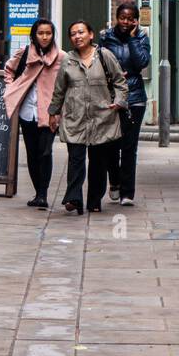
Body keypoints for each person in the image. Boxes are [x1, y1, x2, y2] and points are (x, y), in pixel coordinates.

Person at [49, 20, 129, 215]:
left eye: (81, 32)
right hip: (74, 118)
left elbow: (120, 81)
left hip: (102, 118)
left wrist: (119, 101)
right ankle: (74, 198)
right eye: (73, 34)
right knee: (76, 160)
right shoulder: (68, 60)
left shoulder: (104, 55)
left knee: (98, 163)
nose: (77, 36)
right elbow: (59, 90)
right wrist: (53, 113)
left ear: (91, 34)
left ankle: (94, 200)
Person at [3, 18, 61, 208]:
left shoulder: (62, 57)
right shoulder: (25, 53)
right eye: (41, 33)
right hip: (27, 112)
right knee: (31, 153)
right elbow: (9, 70)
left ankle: (43, 194)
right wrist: (12, 89)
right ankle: (38, 192)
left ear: (53, 35)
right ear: (34, 35)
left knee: (45, 152)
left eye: (48, 33)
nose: (45, 37)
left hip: (50, 113)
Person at [99, 2, 151, 206]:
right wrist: (113, 76)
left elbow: (142, 63)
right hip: (111, 97)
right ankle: (114, 181)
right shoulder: (106, 37)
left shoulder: (141, 38)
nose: (126, 22)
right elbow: (99, 63)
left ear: (136, 20)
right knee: (111, 144)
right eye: (122, 17)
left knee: (129, 147)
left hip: (134, 97)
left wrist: (132, 39)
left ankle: (127, 193)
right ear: (116, 17)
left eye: (130, 18)